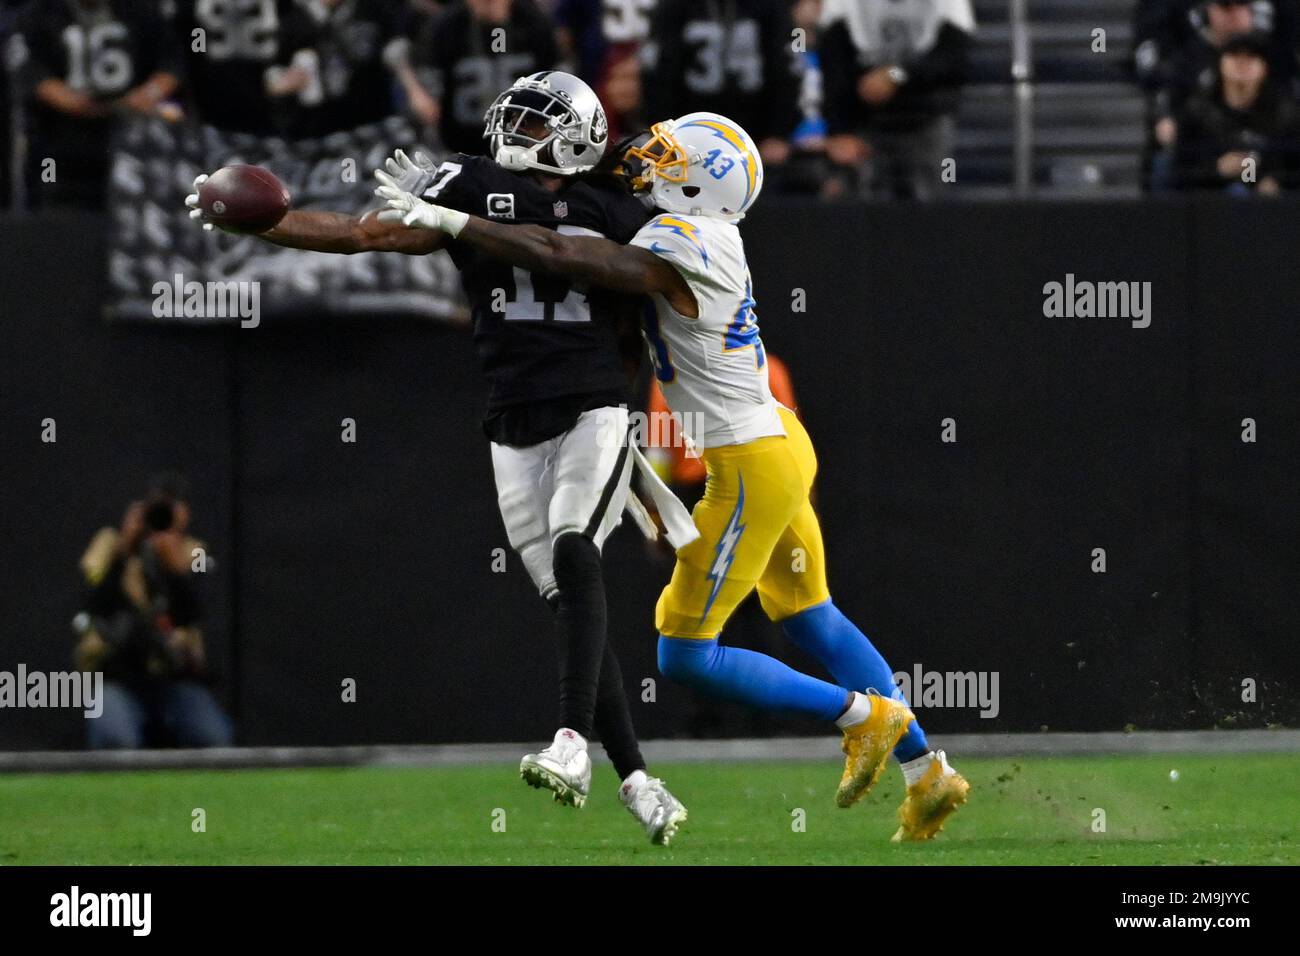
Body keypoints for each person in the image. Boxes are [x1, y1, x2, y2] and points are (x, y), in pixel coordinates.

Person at [379, 111, 970, 839]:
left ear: (696, 184)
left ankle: (865, 718)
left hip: (749, 461)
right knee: (813, 617)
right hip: (775, 442)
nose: (644, 163)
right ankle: (927, 773)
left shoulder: (682, 241)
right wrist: (468, 179)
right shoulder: (699, 229)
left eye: (665, 158)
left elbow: (570, 256)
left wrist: (456, 215)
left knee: (684, 651)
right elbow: (577, 202)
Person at [186, 71, 688, 845]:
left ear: (580, 138)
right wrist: (265, 225)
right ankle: (638, 779)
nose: (515, 130)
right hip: (512, 417)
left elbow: (634, 284)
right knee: (568, 603)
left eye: (536, 121)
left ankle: (568, 743)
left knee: (576, 552)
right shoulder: (473, 182)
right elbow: (364, 233)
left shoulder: (616, 209)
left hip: (594, 406)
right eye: (516, 116)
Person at [76, 474, 233, 749]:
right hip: (117, 677)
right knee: (115, 739)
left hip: (177, 679)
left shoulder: (195, 552)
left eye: (171, 508)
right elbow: (93, 607)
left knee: (213, 738)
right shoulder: (109, 544)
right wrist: (123, 554)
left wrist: (175, 572)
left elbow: (195, 615)